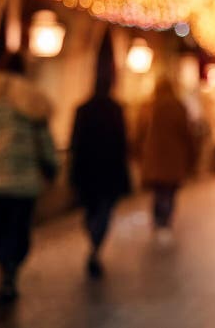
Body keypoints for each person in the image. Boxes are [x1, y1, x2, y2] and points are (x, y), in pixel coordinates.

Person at [0, 53, 58, 303]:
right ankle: (9, 271)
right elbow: (45, 142)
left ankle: (1, 263)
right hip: (24, 180)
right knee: (19, 228)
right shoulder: (31, 99)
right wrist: (51, 166)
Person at [69, 65, 130, 278]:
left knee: (91, 209)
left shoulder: (82, 109)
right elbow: (123, 143)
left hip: (87, 169)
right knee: (103, 210)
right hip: (109, 170)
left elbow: (74, 142)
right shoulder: (116, 110)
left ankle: (94, 242)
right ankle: (96, 244)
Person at [139, 78, 195, 237]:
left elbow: (140, 131)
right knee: (169, 191)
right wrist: (191, 156)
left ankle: (159, 220)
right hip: (174, 158)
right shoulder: (178, 107)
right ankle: (165, 221)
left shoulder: (150, 106)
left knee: (158, 191)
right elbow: (186, 134)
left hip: (155, 157)